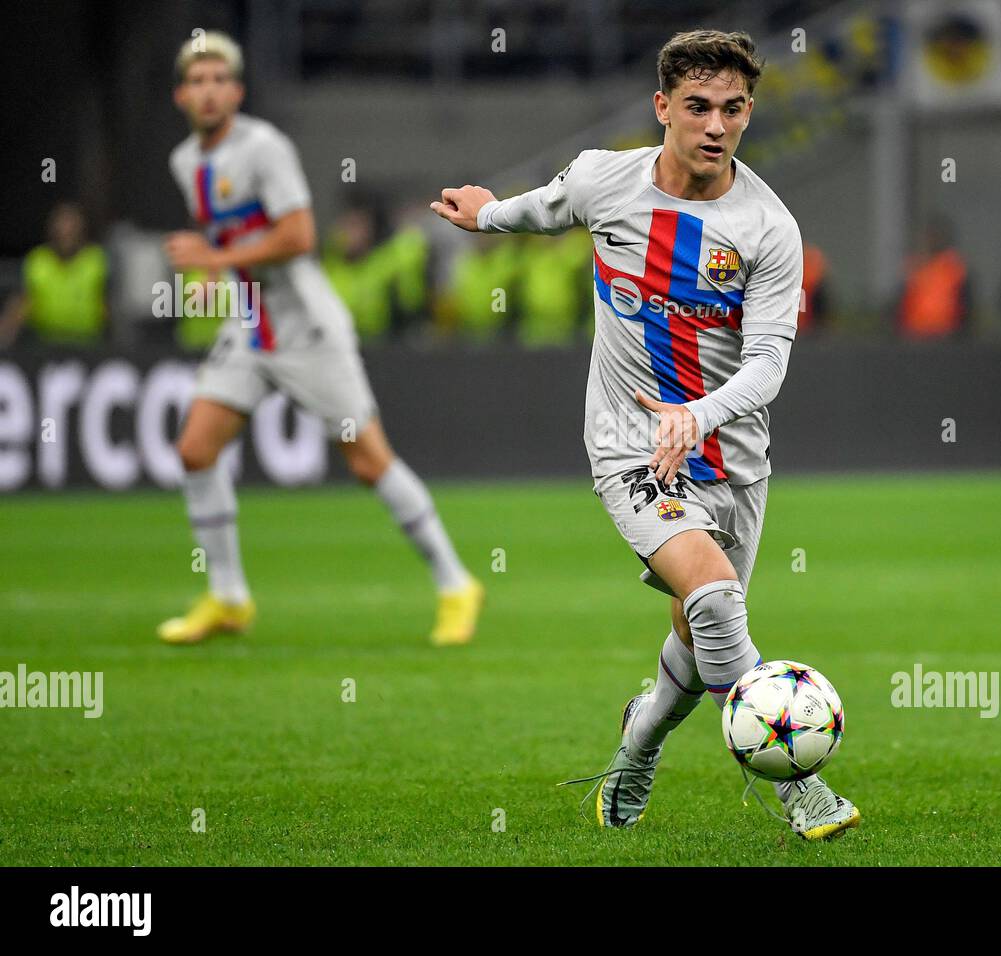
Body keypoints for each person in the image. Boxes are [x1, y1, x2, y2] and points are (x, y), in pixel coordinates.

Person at [432, 30, 859, 840]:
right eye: (697, 107)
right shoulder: (606, 178)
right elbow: (545, 207)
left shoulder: (768, 227)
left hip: (730, 455)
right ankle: (798, 788)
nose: (716, 126)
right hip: (628, 442)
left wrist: (697, 415)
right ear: (662, 108)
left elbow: (769, 362)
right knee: (714, 597)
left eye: (733, 109)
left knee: (701, 643)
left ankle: (637, 745)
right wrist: (485, 214)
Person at [159, 31, 482, 646]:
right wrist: (210, 271)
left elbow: (299, 236)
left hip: (306, 326)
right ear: (181, 95)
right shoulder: (185, 162)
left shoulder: (264, 147)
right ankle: (227, 597)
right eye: (196, 81)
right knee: (196, 450)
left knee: (367, 460)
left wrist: (216, 258)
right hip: (252, 323)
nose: (208, 92)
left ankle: (456, 582)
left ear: (237, 90)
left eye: (218, 80)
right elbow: (231, 240)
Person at [0, 202, 107, 348]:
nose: (65, 235)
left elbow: (110, 306)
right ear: (51, 231)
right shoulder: (37, 262)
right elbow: (19, 305)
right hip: (45, 346)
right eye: (61, 231)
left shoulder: (96, 261)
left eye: (71, 230)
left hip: (89, 345)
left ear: (82, 231)